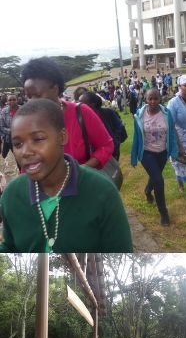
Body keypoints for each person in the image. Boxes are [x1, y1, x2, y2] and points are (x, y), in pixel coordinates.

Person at [0, 99, 132, 252]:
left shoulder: (102, 192)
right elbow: (10, 247)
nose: (25, 152)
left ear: (62, 137)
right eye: (18, 144)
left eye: (38, 139)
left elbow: (121, 251)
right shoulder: (11, 195)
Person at [21, 57, 114, 170]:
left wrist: (80, 171)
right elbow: (25, 165)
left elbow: (106, 145)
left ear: (55, 89)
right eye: (29, 97)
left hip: (81, 184)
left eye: (37, 95)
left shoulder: (81, 112)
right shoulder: (28, 123)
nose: (32, 102)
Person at [131, 88, 181, 226]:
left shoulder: (167, 113)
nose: (153, 101)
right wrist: (134, 156)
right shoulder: (139, 115)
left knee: (155, 176)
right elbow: (137, 137)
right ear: (145, 99)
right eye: (150, 98)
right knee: (159, 180)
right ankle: (164, 213)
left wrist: (174, 151)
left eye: (156, 98)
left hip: (162, 153)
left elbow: (171, 133)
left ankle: (148, 190)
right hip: (147, 153)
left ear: (160, 99)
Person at [77, 91, 127, 161]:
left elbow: (119, 127)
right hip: (95, 156)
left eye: (82, 103)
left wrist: (114, 143)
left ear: (92, 104)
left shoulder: (108, 112)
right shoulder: (82, 119)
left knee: (112, 170)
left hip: (112, 152)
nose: (79, 106)